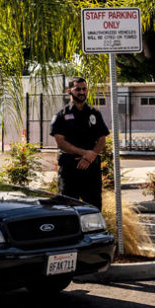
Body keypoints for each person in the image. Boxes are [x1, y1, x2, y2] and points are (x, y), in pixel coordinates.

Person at [50, 77, 110, 209]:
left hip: (91, 170)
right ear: (69, 91)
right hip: (69, 170)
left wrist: (90, 157)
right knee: (68, 209)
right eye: (78, 89)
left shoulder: (95, 114)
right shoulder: (61, 115)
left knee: (93, 208)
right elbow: (60, 142)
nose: (82, 92)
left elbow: (102, 139)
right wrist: (84, 153)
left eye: (84, 89)